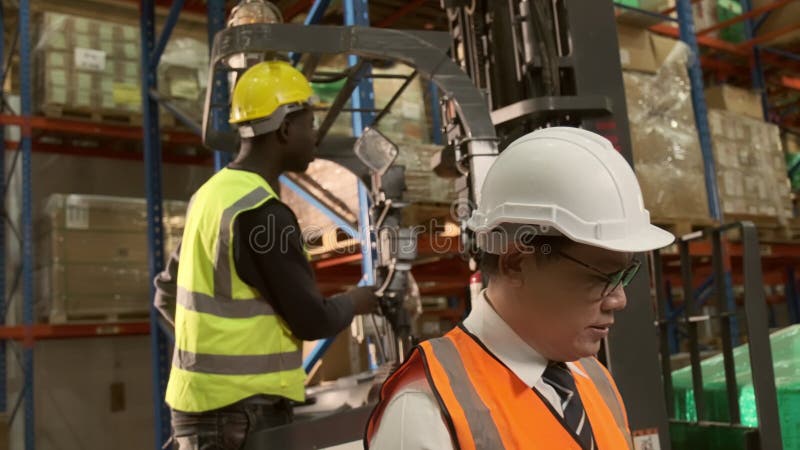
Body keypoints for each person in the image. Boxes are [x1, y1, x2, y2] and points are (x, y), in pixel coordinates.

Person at [365, 127, 675, 449]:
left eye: (624, 276)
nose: (619, 300)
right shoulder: (425, 410)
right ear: (514, 263)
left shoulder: (594, 379)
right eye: (600, 277)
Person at [153, 60, 378, 450]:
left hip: (198, 411)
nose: (315, 137)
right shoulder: (263, 214)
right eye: (309, 125)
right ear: (285, 128)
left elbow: (165, 296)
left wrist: (214, 357)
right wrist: (362, 299)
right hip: (241, 417)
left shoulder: (210, 196)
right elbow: (312, 320)